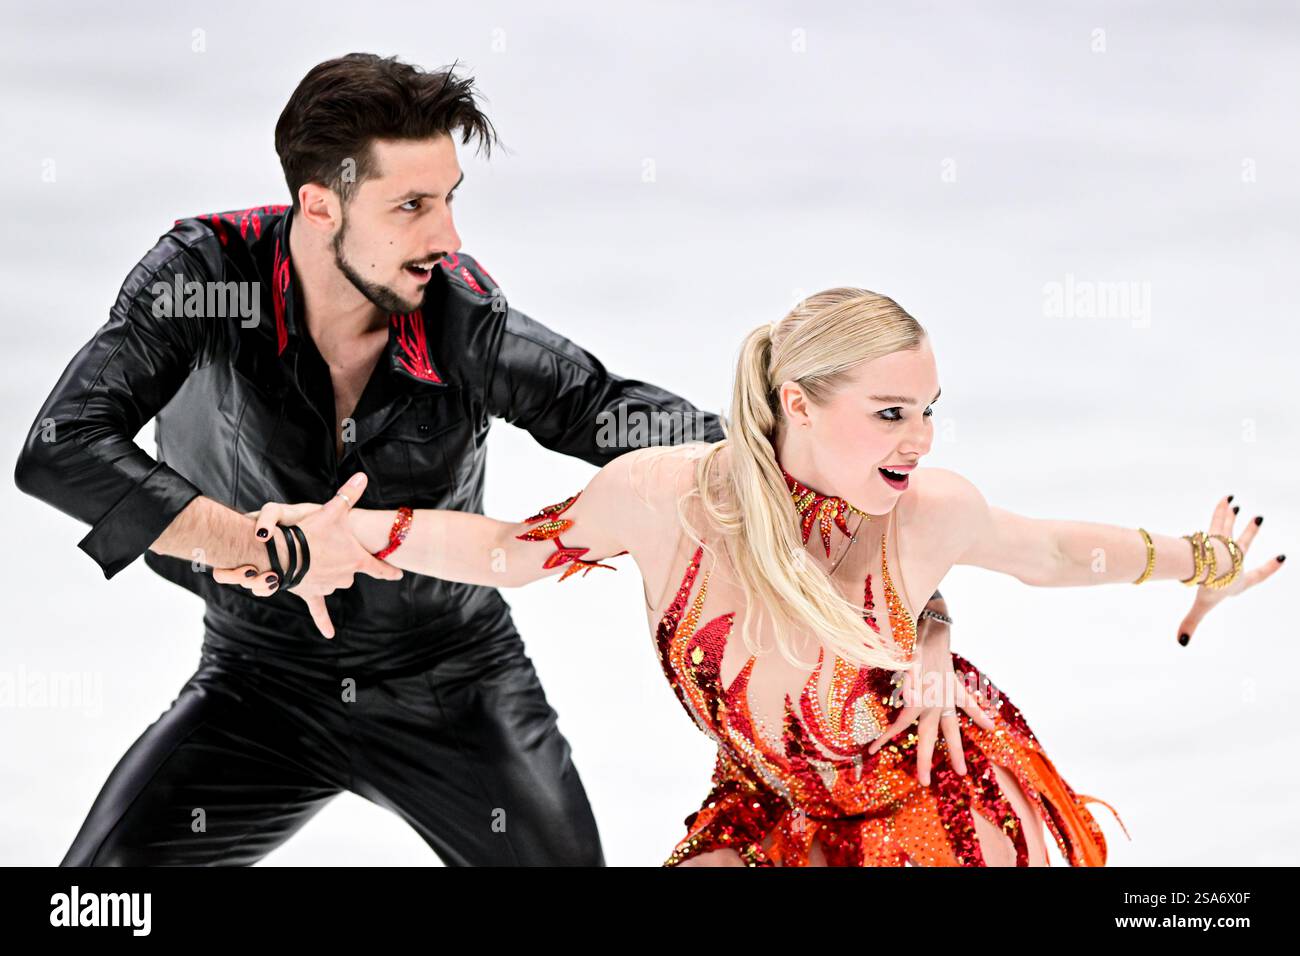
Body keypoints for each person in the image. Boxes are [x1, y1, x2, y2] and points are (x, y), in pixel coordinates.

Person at [216, 287, 1283, 867]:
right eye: (890, 411)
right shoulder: (662, 495)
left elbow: (1053, 553)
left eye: (928, 408)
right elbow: (508, 553)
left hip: (935, 801)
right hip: (772, 806)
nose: (920, 437)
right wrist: (354, 537)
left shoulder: (927, 510)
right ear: (798, 405)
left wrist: (1208, 561)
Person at [14, 52, 742, 866]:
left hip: (451, 680)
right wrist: (265, 549)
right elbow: (61, 446)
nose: (448, 236)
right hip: (259, 681)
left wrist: (785, 454)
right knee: (94, 902)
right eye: (412, 205)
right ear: (320, 205)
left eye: (450, 199)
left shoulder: (460, 315)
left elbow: (601, 411)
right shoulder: (208, 276)